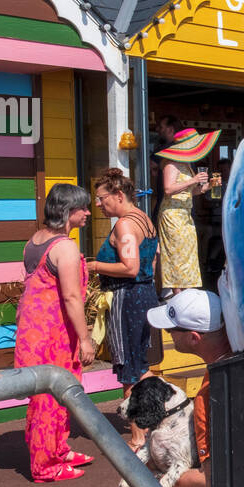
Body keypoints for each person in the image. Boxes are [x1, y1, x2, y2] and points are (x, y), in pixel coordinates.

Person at [108, 288, 232, 487]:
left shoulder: (206, 394)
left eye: (172, 330)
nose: (168, 336)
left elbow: (216, 482)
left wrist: (153, 481)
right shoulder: (232, 359)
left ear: (193, 338)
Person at [14, 183, 96, 483]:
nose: (88, 213)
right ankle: (44, 465)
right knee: (48, 398)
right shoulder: (65, 247)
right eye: (82, 208)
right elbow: (72, 297)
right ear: (66, 212)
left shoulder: (35, 240)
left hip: (34, 329)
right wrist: (85, 339)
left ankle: (58, 448)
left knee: (58, 394)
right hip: (52, 332)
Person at [87, 168, 159, 452]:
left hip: (128, 297)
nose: (98, 205)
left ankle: (138, 435)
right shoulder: (145, 219)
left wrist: (93, 266)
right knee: (141, 364)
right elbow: (150, 264)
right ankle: (153, 422)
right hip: (144, 294)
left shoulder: (125, 225)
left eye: (101, 198)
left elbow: (129, 268)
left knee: (130, 367)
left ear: (118, 195)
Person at [156, 128, 217, 293]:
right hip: (172, 215)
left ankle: (187, 296)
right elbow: (168, 189)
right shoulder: (171, 163)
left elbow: (189, 191)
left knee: (187, 256)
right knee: (177, 257)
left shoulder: (186, 164)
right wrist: (194, 180)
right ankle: (178, 297)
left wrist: (205, 187)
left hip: (184, 214)